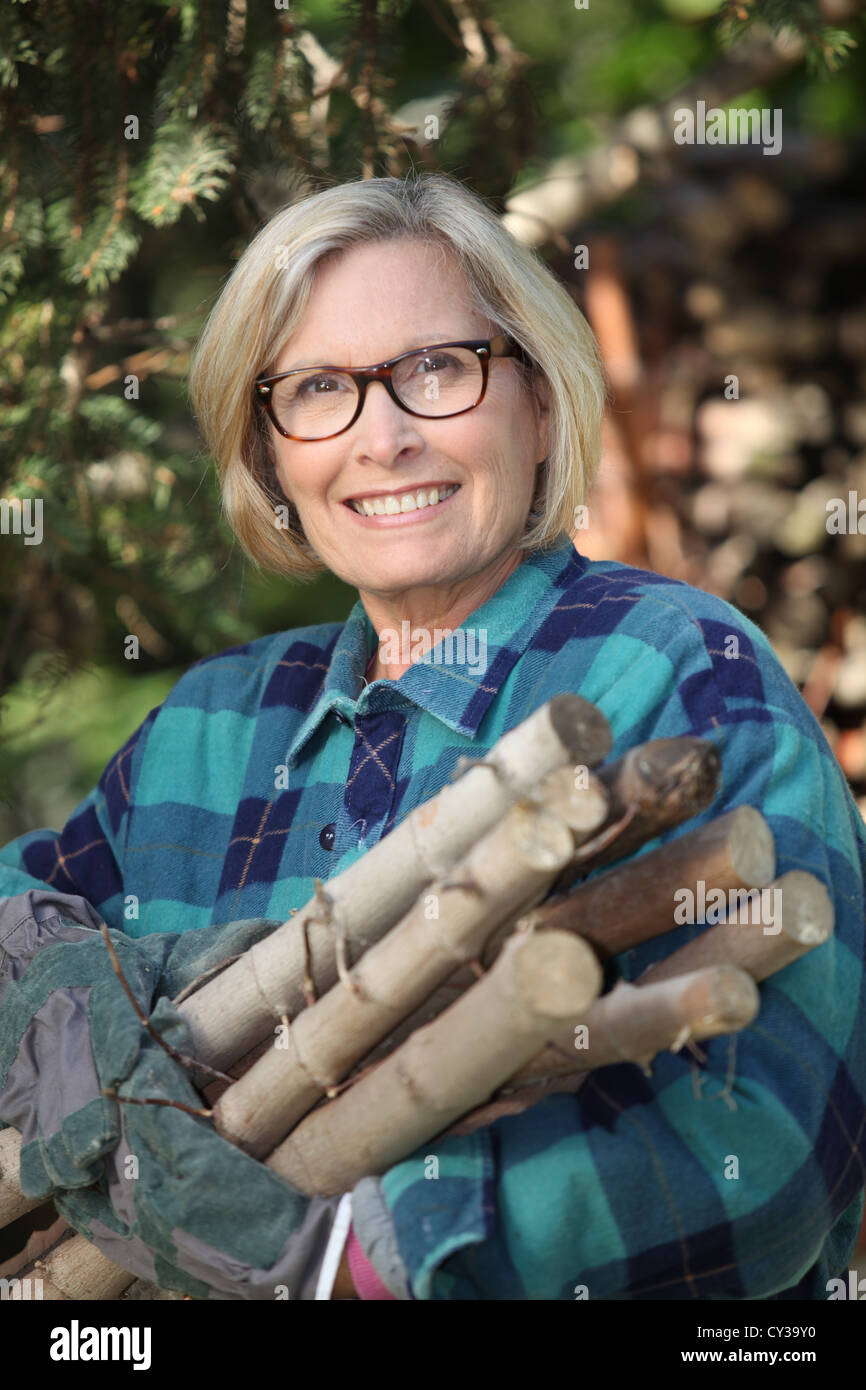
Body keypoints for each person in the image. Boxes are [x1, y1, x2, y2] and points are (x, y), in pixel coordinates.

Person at [1, 171, 864, 1302]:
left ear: (541, 404)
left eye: (435, 370)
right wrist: (56, 990)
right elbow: (25, 905)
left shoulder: (671, 668)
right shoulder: (209, 724)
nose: (385, 436)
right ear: (268, 457)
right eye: (318, 389)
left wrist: (351, 1261)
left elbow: (771, 1167)